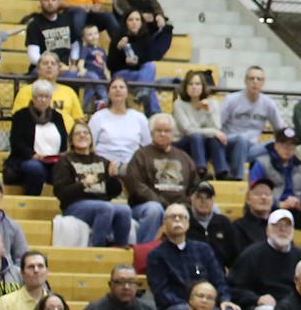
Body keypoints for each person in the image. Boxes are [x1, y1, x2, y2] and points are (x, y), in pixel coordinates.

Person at [57, 122, 135, 248]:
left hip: (101, 203)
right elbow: (61, 193)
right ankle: (97, 248)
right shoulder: (65, 161)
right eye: (78, 133)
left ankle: (120, 249)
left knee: (124, 210)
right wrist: (83, 184)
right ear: (71, 139)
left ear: (91, 138)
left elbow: (113, 193)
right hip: (74, 205)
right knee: (105, 208)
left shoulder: (101, 160)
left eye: (86, 133)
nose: (82, 136)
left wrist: (112, 177)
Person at [125, 114, 198, 243]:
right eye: (159, 130)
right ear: (151, 133)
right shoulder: (141, 155)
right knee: (154, 209)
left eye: (167, 131)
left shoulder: (183, 157)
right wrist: (163, 204)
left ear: (173, 133)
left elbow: (195, 185)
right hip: (148, 206)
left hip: (180, 205)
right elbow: (136, 187)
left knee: (210, 209)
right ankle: (145, 250)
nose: (163, 134)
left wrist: (184, 205)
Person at [8, 83, 71, 197]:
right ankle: (32, 199)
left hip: (53, 160)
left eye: (46, 97)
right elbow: (16, 142)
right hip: (28, 159)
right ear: (33, 98)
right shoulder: (21, 115)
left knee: (66, 169)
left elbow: (63, 142)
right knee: (35, 168)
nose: (43, 100)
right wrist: (34, 155)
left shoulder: (57, 117)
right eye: (39, 96)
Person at [173, 71, 229, 179]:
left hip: (204, 144)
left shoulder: (213, 103)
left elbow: (217, 128)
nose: (194, 87)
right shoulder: (179, 104)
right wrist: (212, 132)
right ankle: (200, 170)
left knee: (215, 140)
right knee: (196, 136)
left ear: (203, 86)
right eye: (190, 84)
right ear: (185, 87)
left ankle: (221, 172)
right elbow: (187, 130)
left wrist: (208, 111)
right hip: (184, 143)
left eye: (197, 84)